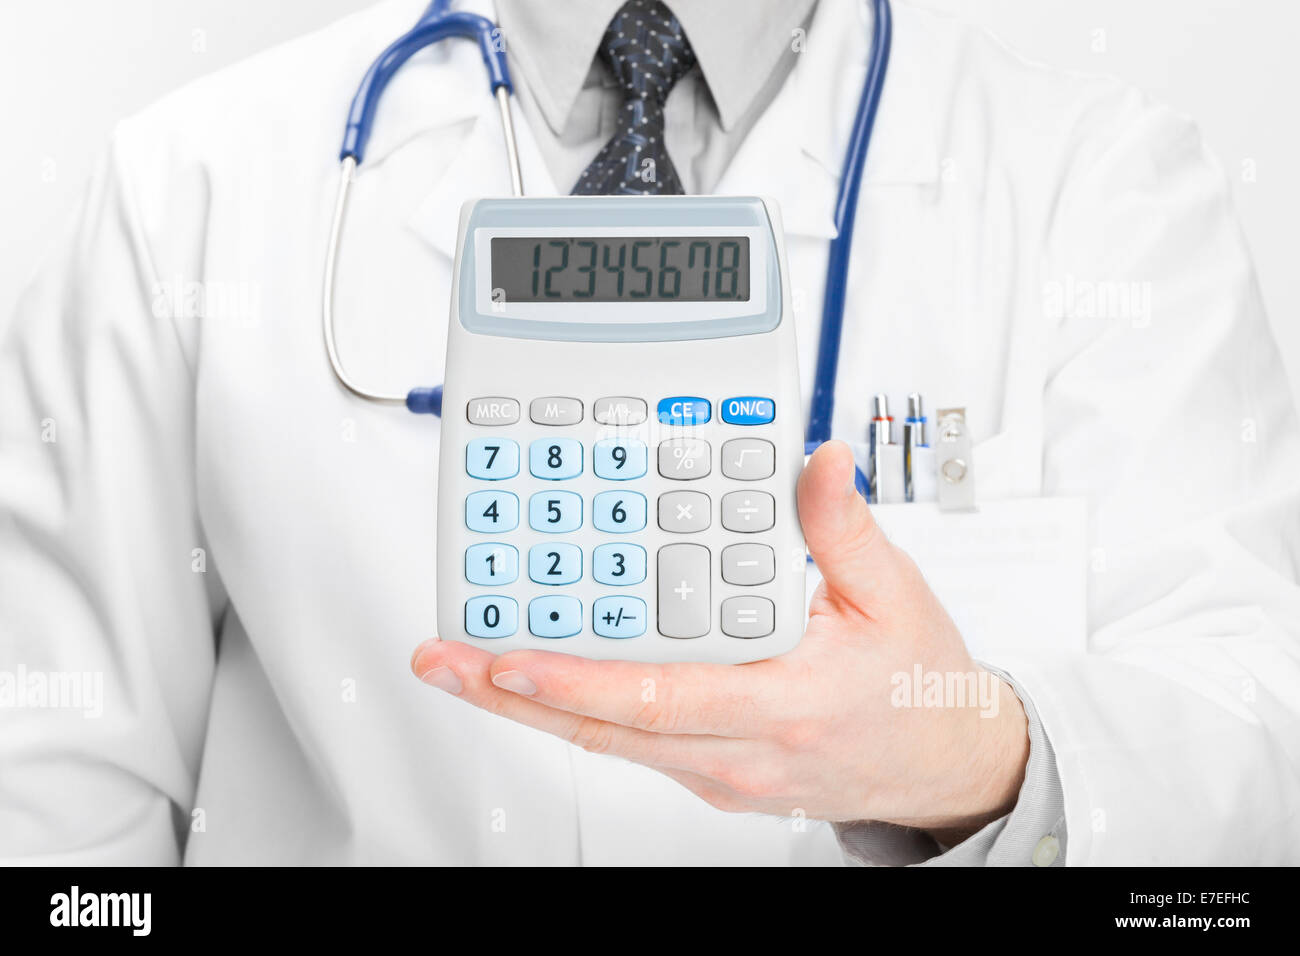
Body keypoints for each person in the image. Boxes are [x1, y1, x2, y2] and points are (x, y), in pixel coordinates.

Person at [2, 0, 1297, 866]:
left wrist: (981, 756)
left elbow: (1254, 758)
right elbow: (54, 801)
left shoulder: (1102, 190)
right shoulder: (196, 189)